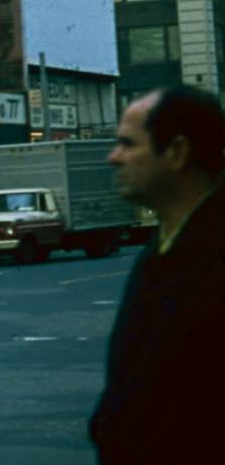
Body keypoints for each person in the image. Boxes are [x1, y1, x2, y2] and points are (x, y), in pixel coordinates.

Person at [90, 86, 225, 465]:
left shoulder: (212, 252)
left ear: (177, 152)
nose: (113, 158)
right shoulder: (161, 246)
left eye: (128, 144)